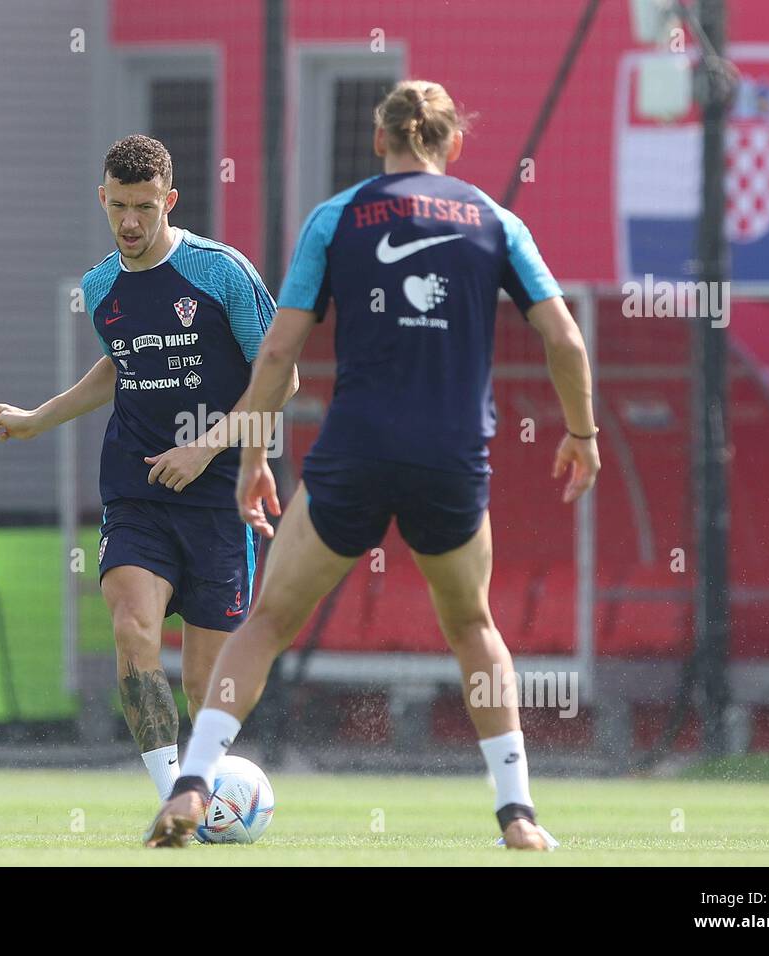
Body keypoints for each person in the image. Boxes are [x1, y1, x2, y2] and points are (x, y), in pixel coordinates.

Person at [145, 81, 600, 850]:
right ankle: (517, 814)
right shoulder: (494, 221)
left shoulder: (337, 217)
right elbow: (564, 340)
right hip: (450, 458)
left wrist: (255, 457)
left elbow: (280, 350)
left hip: (353, 454)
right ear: (453, 145)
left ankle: (190, 785)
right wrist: (583, 434)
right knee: (474, 626)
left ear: (378, 143)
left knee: (267, 625)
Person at [0, 135, 296, 800]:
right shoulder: (99, 287)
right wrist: (40, 417)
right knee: (131, 628)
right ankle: (169, 797)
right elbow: (120, 366)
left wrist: (207, 447)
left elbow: (282, 380)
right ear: (102, 198)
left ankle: (203, 788)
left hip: (215, 495)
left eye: (144, 207)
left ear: (169, 202)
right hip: (137, 488)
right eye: (118, 205)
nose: (130, 221)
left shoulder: (222, 274)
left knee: (207, 681)